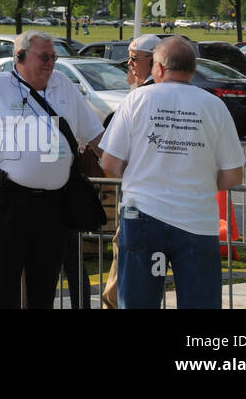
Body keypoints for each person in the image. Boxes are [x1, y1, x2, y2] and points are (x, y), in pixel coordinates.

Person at [0, 30, 103, 309]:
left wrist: (125, 164)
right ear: (20, 56)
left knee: (44, 285)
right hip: (4, 201)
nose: (51, 63)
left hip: (53, 205)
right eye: (44, 57)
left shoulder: (64, 85)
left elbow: (96, 136)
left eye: (54, 57)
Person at [100, 36, 245, 309]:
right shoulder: (214, 106)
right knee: (199, 302)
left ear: (159, 69)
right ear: (191, 70)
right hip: (197, 219)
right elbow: (233, 176)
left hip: (142, 214)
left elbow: (110, 163)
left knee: (138, 302)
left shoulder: (137, 100)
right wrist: (199, 182)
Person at [101, 33, 163, 308]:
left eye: (135, 59)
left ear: (154, 61)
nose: (129, 64)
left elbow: (111, 162)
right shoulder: (181, 96)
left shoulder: (140, 98)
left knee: (125, 273)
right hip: (172, 208)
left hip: (140, 204)